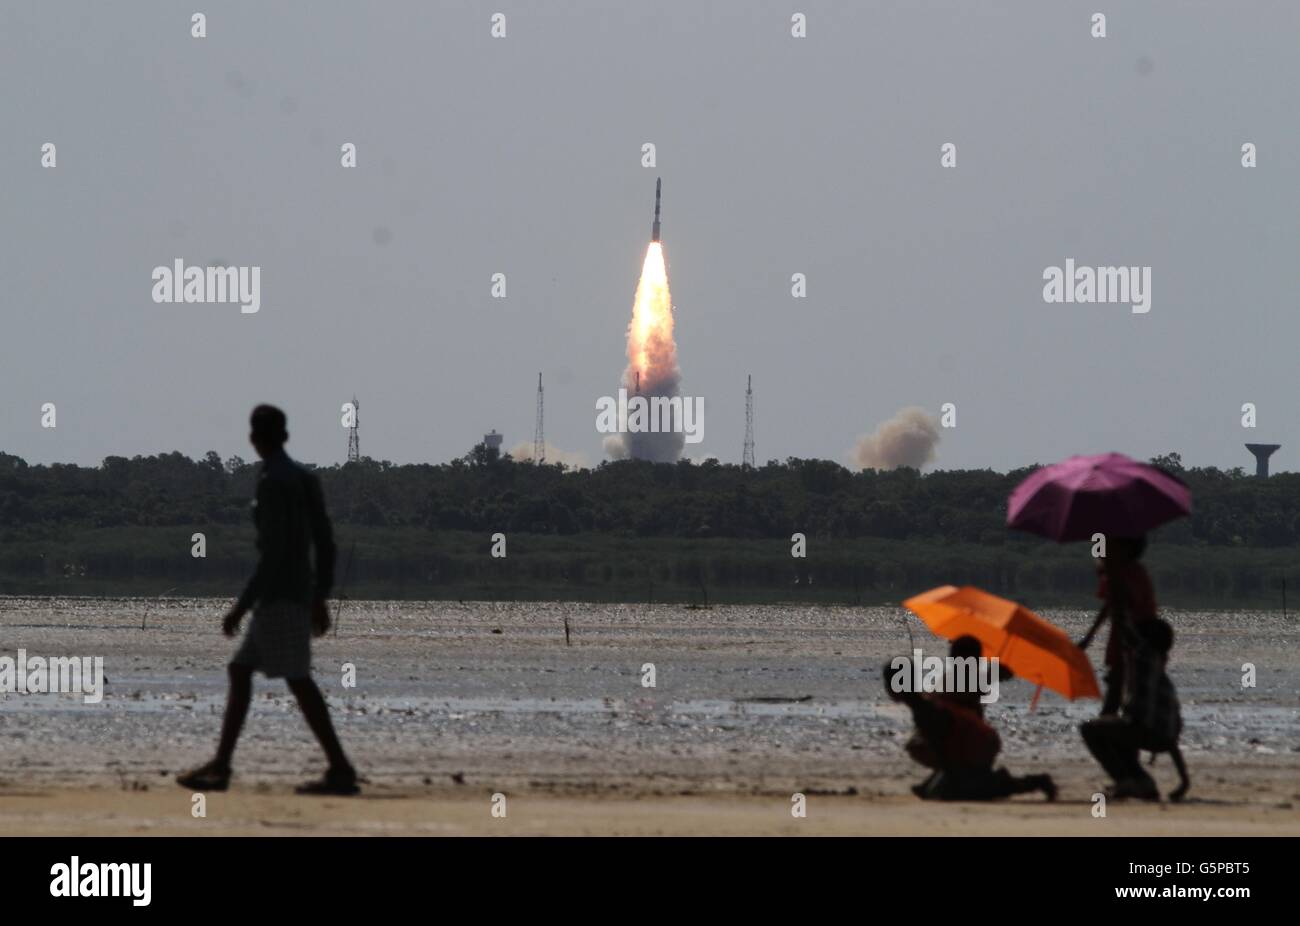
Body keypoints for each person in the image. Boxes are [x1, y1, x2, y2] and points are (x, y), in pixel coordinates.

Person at [177, 405, 359, 795]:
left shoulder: (274, 481)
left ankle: (340, 770)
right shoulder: (303, 478)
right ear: (284, 436)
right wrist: (321, 594)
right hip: (291, 595)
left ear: (255, 438)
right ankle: (222, 766)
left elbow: (274, 554)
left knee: (298, 680)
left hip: (282, 597)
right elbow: (325, 542)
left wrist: (241, 606)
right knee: (241, 671)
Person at [886, 636, 1056, 802]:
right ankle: (964, 779)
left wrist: (946, 780)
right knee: (950, 780)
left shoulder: (932, 702)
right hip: (969, 738)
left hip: (975, 742)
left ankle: (1013, 781)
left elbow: (943, 749)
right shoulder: (945, 685)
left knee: (968, 790)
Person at [1080, 617, 1188, 801]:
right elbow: (1172, 740)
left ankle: (1126, 780)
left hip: (1148, 732)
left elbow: (1127, 631)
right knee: (1116, 730)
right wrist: (1185, 781)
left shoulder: (1145, 656)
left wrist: (1118, 608)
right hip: (1161, 734)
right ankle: (1142, 782)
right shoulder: (1157, 668)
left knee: (1089, 729)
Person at [1079, 535, 1157, 715]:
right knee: (1116, 683)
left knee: (1130, 687)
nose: (1104, 551)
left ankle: (1114, 723)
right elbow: (1108, 607)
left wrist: (1114, 580)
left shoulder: (1134, 572)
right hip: (1120, 636)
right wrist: (1088, 638)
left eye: (1111, 547)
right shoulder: (1114, 574)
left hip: (1140, 637)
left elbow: (1129, 602)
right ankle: (1112, 720)